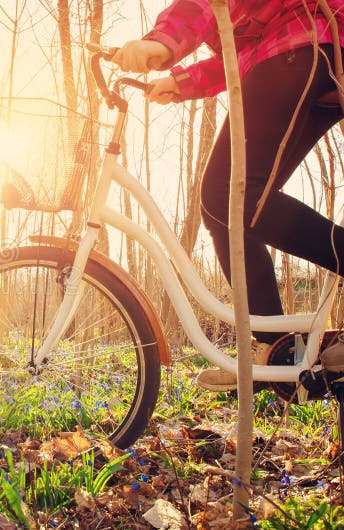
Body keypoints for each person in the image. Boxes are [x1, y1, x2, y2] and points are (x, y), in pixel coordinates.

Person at [111, 0, 344, 391]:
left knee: (225, 196)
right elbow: (243, 57)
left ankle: (273, 346)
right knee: (223, 205)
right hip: (300, 52)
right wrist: (181, 81)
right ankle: (276, 349)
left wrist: (165, 40)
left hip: (303, 44)